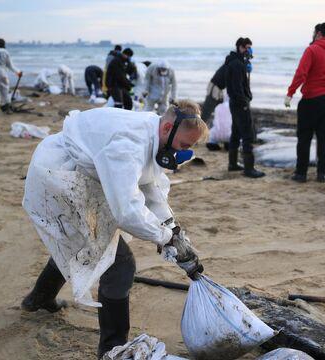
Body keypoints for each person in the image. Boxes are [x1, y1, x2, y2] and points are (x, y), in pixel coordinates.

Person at [20, 100, 207, 358]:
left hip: (86, 176)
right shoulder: (127, 145)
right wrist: (162, 237)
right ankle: (111, 348)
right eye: (185, 145)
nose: (185, 152)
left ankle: (38, 300)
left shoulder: (156, 134)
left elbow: (149, 187)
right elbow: (127, 210)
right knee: (120, 264)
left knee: (81, 243)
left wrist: (174, 231)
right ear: (167, 128)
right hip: (58, 176)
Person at [284, 23, 325, 183]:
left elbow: (301, 73)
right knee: (324, 136)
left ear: (318, 33)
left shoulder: (312, 49)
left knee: (305, 136)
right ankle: (322, 174)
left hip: (311, 98)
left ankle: (301, 173)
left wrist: (290, 93)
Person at [225, 37, 265, 178]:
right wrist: (244, 101)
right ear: (241, 47)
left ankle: (233, 164)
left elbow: (240, 84)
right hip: (239, 103)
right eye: (247, 47)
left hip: (235, 102)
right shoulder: (236, 64)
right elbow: (237, 87)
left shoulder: (236, 62)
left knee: (236, 133)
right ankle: (249, 169)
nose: (249, 50)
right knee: (248, 135)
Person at [202, 62, 228, 151]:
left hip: (220, 90)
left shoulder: (230, 63)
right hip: (214, 89)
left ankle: (221, 136)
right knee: (205, 114)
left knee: (222, 115)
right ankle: (194, 134)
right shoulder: (232, 65)